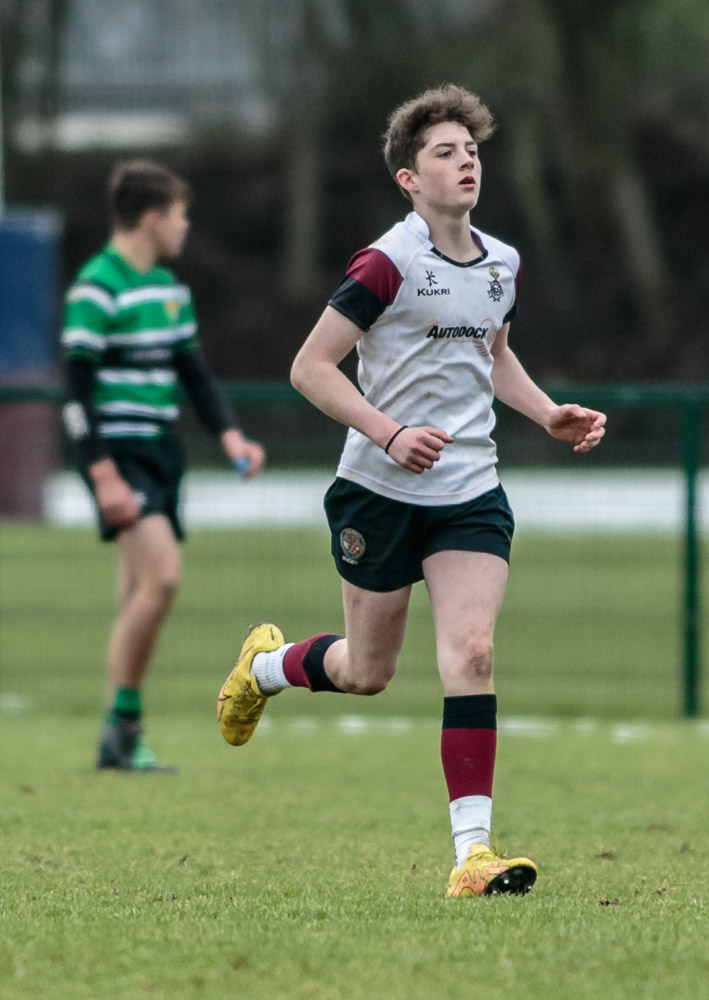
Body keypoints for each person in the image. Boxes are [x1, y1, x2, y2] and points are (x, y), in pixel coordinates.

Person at [217, 85, 606, 895]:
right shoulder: (386, 262)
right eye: (444, 152)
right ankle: (266, 669)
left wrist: (545, 415)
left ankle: (472, 856)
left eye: (471, 150)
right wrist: (389, 432)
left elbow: (491, 353)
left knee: (471, 653)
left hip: (469, 492)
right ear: (408, 178)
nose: (465, 162)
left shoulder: (503, 263)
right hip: (378, 492)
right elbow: (309, 368)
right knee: (367, 670)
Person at [61, 159, 264, 772]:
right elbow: (74, 395)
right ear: (152, 218)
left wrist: (231, 437)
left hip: (160, 452)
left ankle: (121, 735)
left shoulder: (171, 293)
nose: (185, 226)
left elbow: (194, 376)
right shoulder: (96, 288)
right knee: (164, 578)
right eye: (179, 215)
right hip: (118, 457)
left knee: (137, 590)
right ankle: (121, 724)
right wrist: (102, 476)